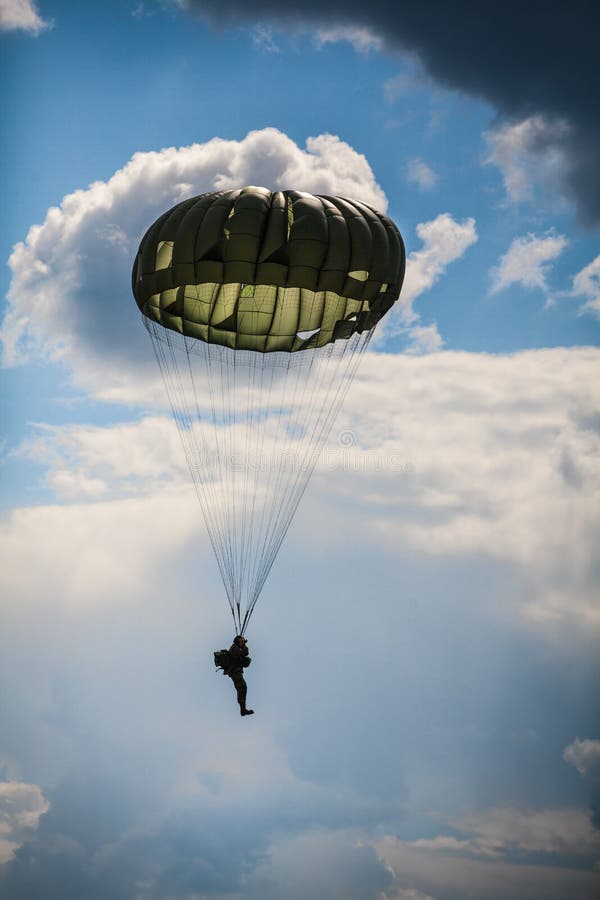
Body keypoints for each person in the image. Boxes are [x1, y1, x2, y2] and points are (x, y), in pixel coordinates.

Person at [225, 635, 254, 716]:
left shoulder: (236, 647)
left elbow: (245, 653)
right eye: (241, 639)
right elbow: (244, 653)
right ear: (237, 640)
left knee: (242, 687)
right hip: (234, 671)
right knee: (242, 687)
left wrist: (243, 644)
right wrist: (243, 644)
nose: (243, 641)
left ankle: (243, 709)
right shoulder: (234, 648)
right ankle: (243, 710)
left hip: (236, 671)